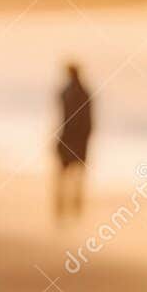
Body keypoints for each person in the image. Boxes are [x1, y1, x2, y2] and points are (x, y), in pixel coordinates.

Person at [54, 62, 94, 219]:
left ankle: (64, 205)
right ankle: (73, 206)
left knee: (66, 174)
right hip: (77, 137)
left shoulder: (67, 92)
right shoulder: (83, 93)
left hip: (70, 136)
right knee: (75, 173)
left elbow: (65, 118)